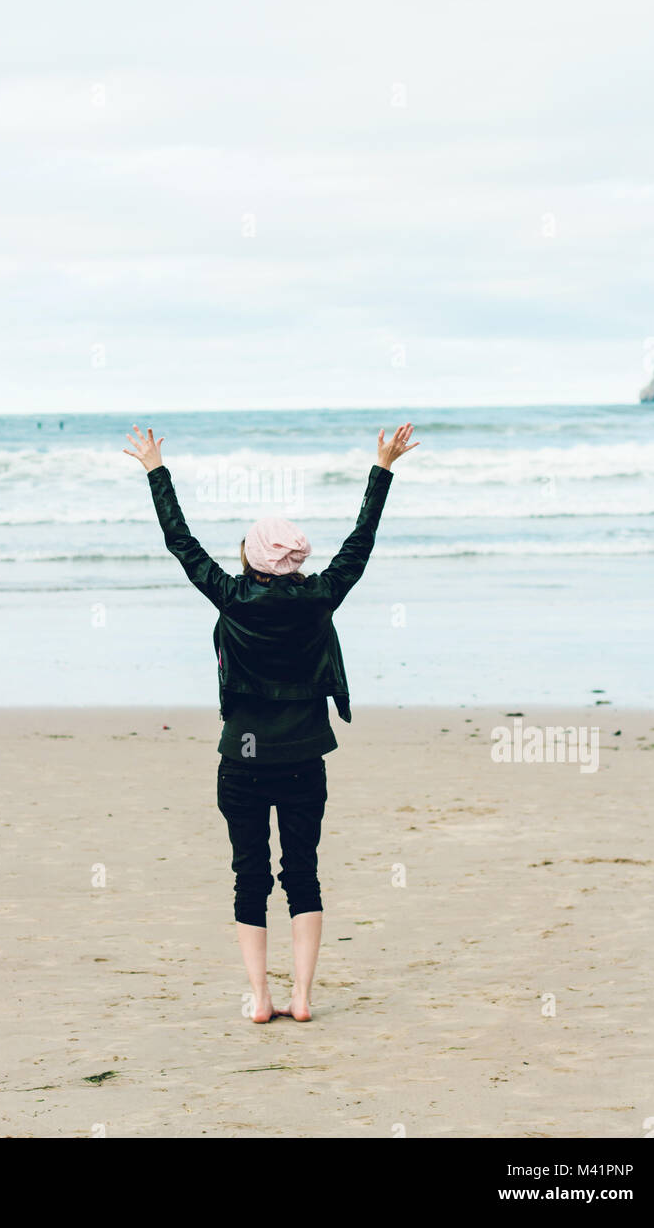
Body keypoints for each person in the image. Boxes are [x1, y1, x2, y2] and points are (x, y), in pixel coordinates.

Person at [123, 421, 419, 1022]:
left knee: (249, 875)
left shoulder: (231, 597)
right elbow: (361, 542)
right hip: (305, 759)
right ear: (296, 561)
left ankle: (260, 998)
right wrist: (382, 467)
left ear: (249, 560)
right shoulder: (321, 598)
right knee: (302, 873)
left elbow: (180, 543)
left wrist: (156, 469)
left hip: (243, 761)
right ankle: (302, 999)